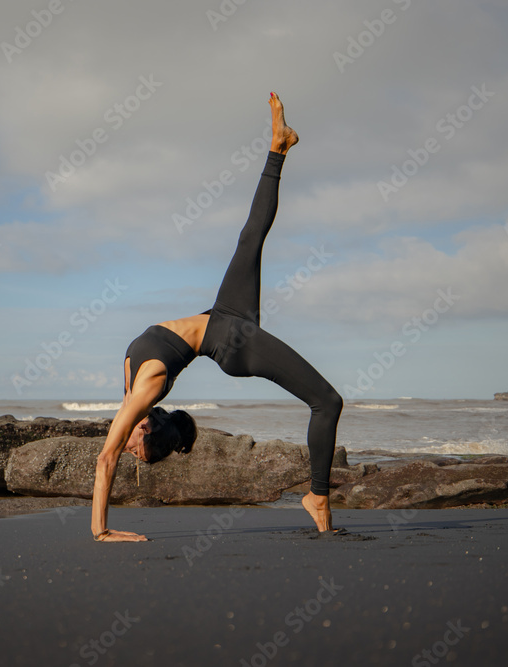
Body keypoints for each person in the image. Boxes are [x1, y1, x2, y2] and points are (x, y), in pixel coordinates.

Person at [91, 92, 343, 542]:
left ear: (146, 429)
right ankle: (318, 497)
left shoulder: (135, 387)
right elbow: (107, 457)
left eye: (136, 453)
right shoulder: (142, 390)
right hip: (232, 344)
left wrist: (99, 531)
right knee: (327, 401)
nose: (128, 451)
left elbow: (104, 457)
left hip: (225, 315)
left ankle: (278, 146)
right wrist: (102, 530)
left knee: (250, 238)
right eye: (139, 454)